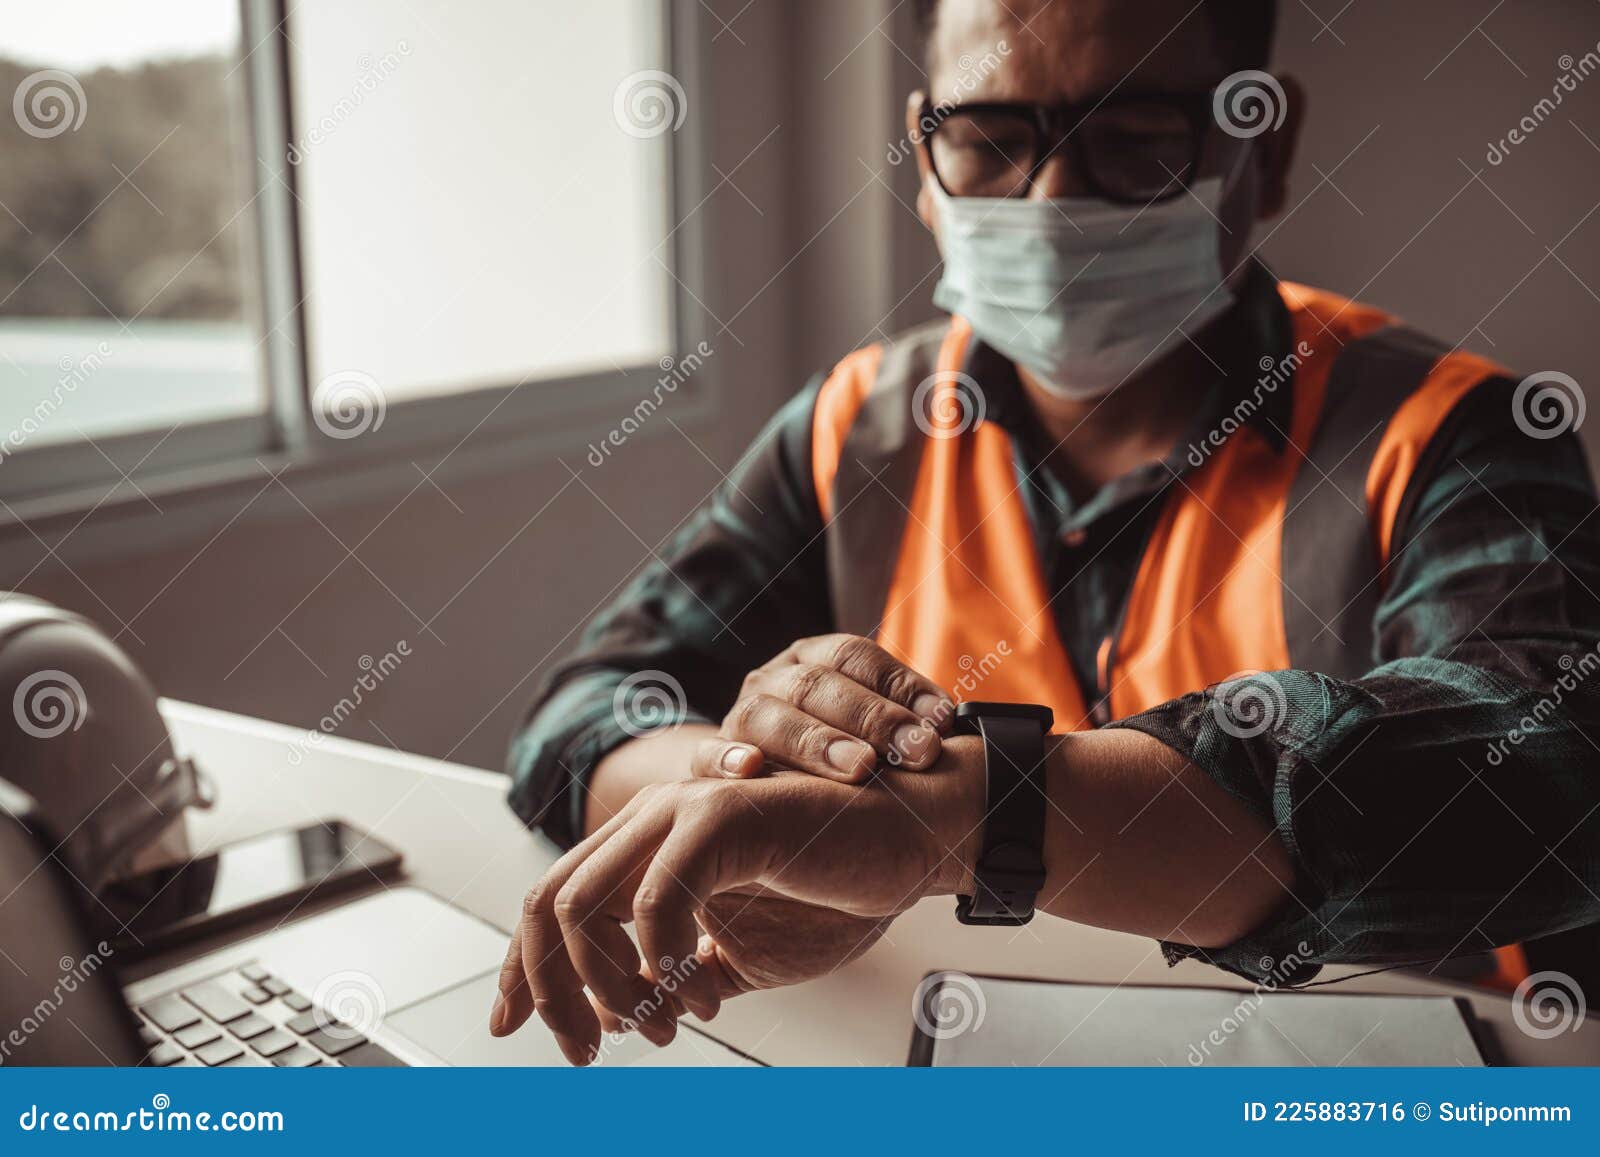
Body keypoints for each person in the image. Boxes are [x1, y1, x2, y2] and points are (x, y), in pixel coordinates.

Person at [490, 0, 1600, 1065]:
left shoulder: (1449, 432)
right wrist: (754, 807)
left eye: (1132, 135)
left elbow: (1551, 769)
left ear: (1260, 146)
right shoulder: (853, 427)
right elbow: (585, 714)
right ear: (923, 161)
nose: (1051, 196)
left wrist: (960, 816)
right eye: (986, 135)